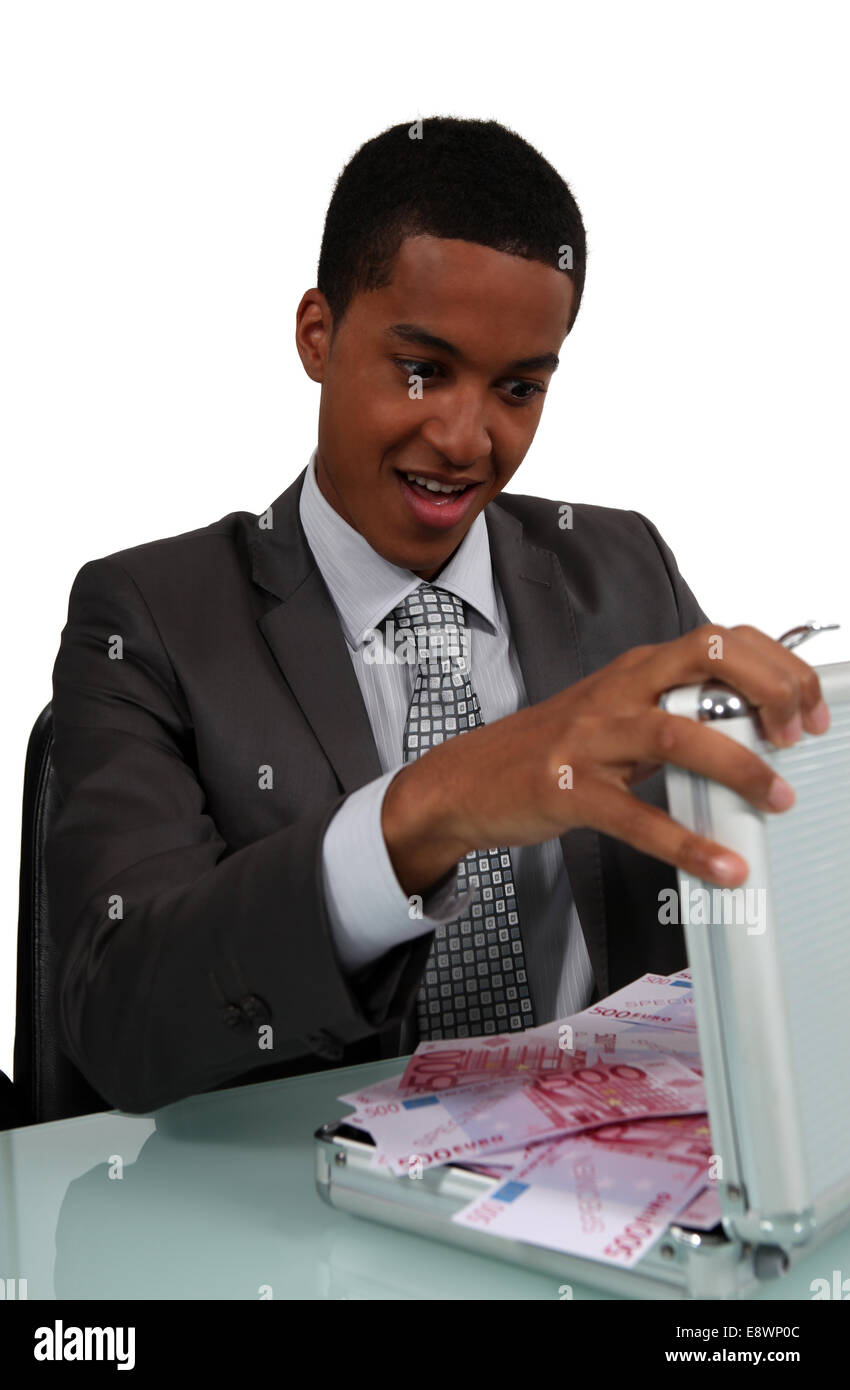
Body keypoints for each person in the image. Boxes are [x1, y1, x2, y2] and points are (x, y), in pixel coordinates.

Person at [45, 117, 829, 1114]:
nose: (465, 439)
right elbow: (121, 1018)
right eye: (422, 370)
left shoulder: (622, 568)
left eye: (516, 387)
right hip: (303, 1234)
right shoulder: (149, 616)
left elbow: (767, 895)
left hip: (613, 1193)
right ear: (317, 335)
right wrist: (430, 805)